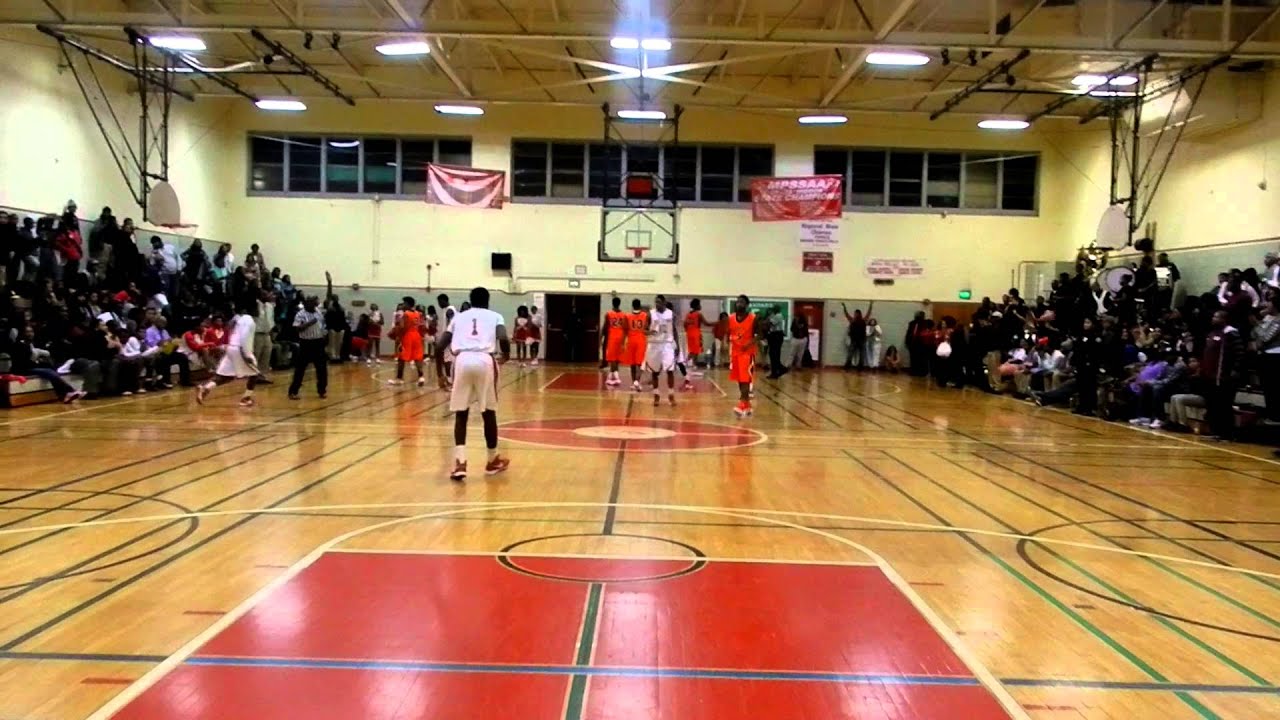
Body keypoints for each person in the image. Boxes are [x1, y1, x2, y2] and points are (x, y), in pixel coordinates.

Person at [438, 286, 511, 481]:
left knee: (461, 414)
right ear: (488, 301)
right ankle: (492, 460)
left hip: (461, 361)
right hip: (484, 360)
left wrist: (439, 375)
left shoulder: (458, 317)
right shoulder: (495, 316)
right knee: (488, 412)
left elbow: (439, 346)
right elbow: (503, 336)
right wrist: (507, 354)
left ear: (470, 300)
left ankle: (460, 463)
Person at [196, 301, 269, 407]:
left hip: (231, 347)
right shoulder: (249, 320)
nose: (259, 310)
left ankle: (205, 388)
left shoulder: (239, 318)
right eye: (257, 308)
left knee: (226, 376)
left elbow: (230, 326)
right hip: (240, 349)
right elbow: (244, 338)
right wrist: (247, 354)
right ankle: (245, 398)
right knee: (255, 375)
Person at [1202, 309, 1244, 439]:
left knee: (1224, 405)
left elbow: (1240, 353)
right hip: (1211, 376)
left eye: (1216, 317)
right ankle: (1215, 431)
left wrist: (1235, 370)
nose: (1213, 319)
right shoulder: (1212, 333)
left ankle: (1226, 433)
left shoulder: (1231, 333)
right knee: (1212, 405)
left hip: (1224, 377)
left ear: (1224, 319)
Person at [288, 295, 328, 400]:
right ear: (306, 303)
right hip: (306, 343)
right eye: (311, 302)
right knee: (300, 369)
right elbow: (297, 328)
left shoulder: (318, 311)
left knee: (322, 369)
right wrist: (309, 323)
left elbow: (328, 298)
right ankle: (293, 391)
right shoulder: (300, 314)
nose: (314, 303)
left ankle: (322, 390)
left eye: (315, 301)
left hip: (318, 342)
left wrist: (329, 283)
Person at [644, 294, 681, 407]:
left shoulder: (671, 314)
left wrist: (677, 344)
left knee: (670, 370)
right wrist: (650, 332)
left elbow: (674, 330)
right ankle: (656, 395)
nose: (657, 304)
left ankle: (671, 395)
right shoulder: (650, 313)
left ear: (664, 303)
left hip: (667, 344)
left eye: (659, 302)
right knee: (655, 372)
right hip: (654, 345)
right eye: (656, 302)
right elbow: (644, 330)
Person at [728, 295, 758, 418]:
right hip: (735, 353)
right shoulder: (731, 318)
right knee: (740, 381)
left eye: (742, 302)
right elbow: (729, 333)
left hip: (747, 353)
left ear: (747, 305)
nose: (739, 304)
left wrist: (749, 343)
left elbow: (759, 335)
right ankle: (747, 405)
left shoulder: (753, 318)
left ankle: (741, 404)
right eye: (738, 302)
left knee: (746, 380)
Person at [392, 295, 428, 387]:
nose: (403, 305)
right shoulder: (417, 313)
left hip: (408, 336)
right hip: (416, 336)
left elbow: (402, 327)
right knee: (417, 358)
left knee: (401, 357)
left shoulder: (406, 314)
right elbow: (421, 326)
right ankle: (421, 377)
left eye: (404, 303)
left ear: (408, 304)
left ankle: (399, 379)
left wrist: (399, 336)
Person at [601, 297, 627, 387]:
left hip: (612, 337)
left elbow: (604, 328)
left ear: (612, 303)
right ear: (619, 303)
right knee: (617, 359)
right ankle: (612, 376)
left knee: (612, 358)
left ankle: (616, 377)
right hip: (620, 337)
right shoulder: (624, 315)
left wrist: (600, 338)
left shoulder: (608, 314)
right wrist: (624, 341)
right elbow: (625, 329)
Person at [624, 299, 648, 391]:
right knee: (639, 363)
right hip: (641, 340)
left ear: (632, 306)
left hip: (631, 340)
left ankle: (634, 382)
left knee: (632, 364)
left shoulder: (628, 316)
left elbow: (625, 329)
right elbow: (646, 328)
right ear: (640, 306)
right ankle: (637, 382)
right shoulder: (645, 315)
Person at [842, 301, 873, 370]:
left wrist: (871, 305)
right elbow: (846, 314)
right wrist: (844, 307)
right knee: (854, 354)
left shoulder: (858, 320)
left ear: (858, 314)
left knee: (858, 354)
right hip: (857, 340)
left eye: (856, 313)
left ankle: (851, 367)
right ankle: (852, 367)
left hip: (860, 340)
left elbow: (868, 313)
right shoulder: (857, 320)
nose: (855, 314)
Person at [684, 299, 711, 370]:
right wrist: (717, 323)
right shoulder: (699, 314)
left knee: (692, 350)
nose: (700, 306)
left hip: (689, 333)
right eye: (699, 304)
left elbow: (684, 324)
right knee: (696, 350)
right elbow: (706, 323)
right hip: (696, 333)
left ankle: (686, 362)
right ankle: (693, 365)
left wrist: (687, 331)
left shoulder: (688, 314)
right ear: (696, 305)